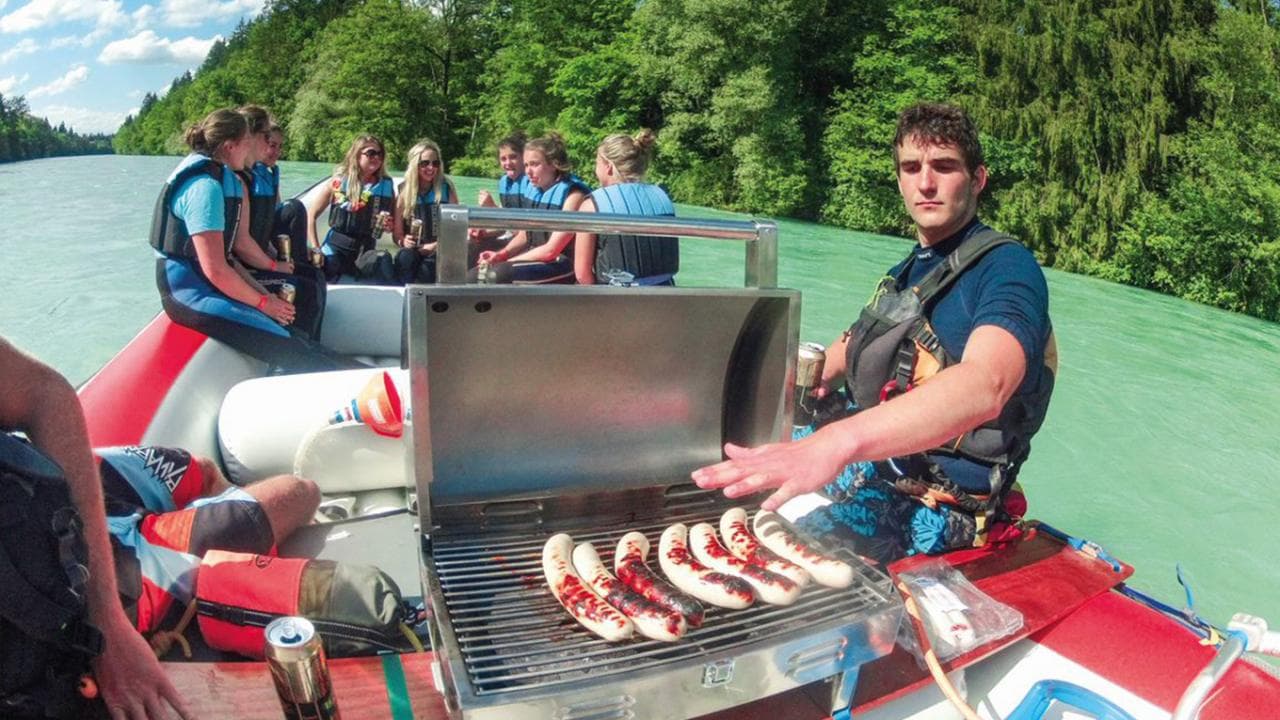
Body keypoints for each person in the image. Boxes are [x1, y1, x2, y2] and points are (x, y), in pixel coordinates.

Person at [692, 102, 1056, 563]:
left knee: (771, 555)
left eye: (944, 167)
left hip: (938, 501)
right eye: (911, 167)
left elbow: (988, 384)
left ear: (978, 179)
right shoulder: (909, 271)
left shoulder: (1008, 270)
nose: (925, 183)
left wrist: (836, 442)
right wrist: (787, 388)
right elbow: (848, 347)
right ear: (899, 179)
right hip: (880, 464)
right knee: (730, 462)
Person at [1, 337, 194, 720]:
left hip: (76, 556)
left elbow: (45, 394)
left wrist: (105, 622)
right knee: (281, 503)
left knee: (193, 470)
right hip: (77, 601)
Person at [150, 109, 353, 373]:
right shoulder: (204, 188)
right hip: (189, 294)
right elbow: (215, 269)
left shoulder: (219, 178)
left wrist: (264, 295)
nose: (253, 150)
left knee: (296, 340)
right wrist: (264, 303)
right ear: (230, 145)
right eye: (249, 141)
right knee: (289, 346)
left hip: (209, 283)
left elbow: (226, 260)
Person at [95, 445, 319, 643]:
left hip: (106, 552)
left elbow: (201, 472)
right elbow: (202, 473)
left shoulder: (78, 466)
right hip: (136, 572)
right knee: (298, 493)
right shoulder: (76, 464)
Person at [235, 106, 326, 341]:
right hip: (245, 266)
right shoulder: (240, 178)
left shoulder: (268, 173)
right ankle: (296, 348)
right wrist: (274, 266)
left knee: (315, 277)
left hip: (260, 254)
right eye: (269, 141)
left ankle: (310, 344)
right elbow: (240, 242)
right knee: (302, 287)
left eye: (278, 145)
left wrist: (276, 257)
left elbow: (265, 226)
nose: (274, 149)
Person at [477, 132, 590, 284]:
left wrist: (507, 261)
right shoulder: (535, 190)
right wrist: (501, 255)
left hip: (561, 264)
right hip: (535, 256)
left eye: (535, 164)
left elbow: (551, 250)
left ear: (553, 164)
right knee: (477, 273)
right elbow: (524, 235)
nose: (528, 171)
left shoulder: (574, 196)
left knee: (495, 274)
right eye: (526, 165)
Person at [573, 130, 679, 286]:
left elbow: (582, 274)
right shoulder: (661, 196)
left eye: (596, 163)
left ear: (608, 166)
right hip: (665, 296)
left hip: (616, 301)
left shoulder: (591, 206)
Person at [306, 135, 398, 284]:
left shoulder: (387, 186)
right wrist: (316, 248)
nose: (376, 157)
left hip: (365, 250)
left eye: (380, 154)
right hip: (336, 247)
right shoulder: (338, 182)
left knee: (383, 261)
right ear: (356, 155)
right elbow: (311, 215)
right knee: (324, 268)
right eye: (371, 153)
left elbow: (392, 227)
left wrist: (389, 226)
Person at [392, 139, 458, 284]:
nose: (431, 167)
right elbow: (397, 234)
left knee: (427, 270)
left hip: (439, 249)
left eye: (435, 163)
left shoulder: (446, 189)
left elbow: (456, 230)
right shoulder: (404, 192)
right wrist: (403, 241)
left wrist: (435, 246)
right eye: (425, 163)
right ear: (415, 165)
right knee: (405, 259)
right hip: (413, 250)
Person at [469, 131, 527, 251]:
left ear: (523, 157)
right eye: (503, 159)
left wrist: (492, 208)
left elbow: (524, 231)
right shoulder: (504, 182)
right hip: (511, 238)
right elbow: (503, 227)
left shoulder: (532, 183)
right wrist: (485, 232)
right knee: (469, 245)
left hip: (525, 244)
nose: (508, 163)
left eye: (513, 157)